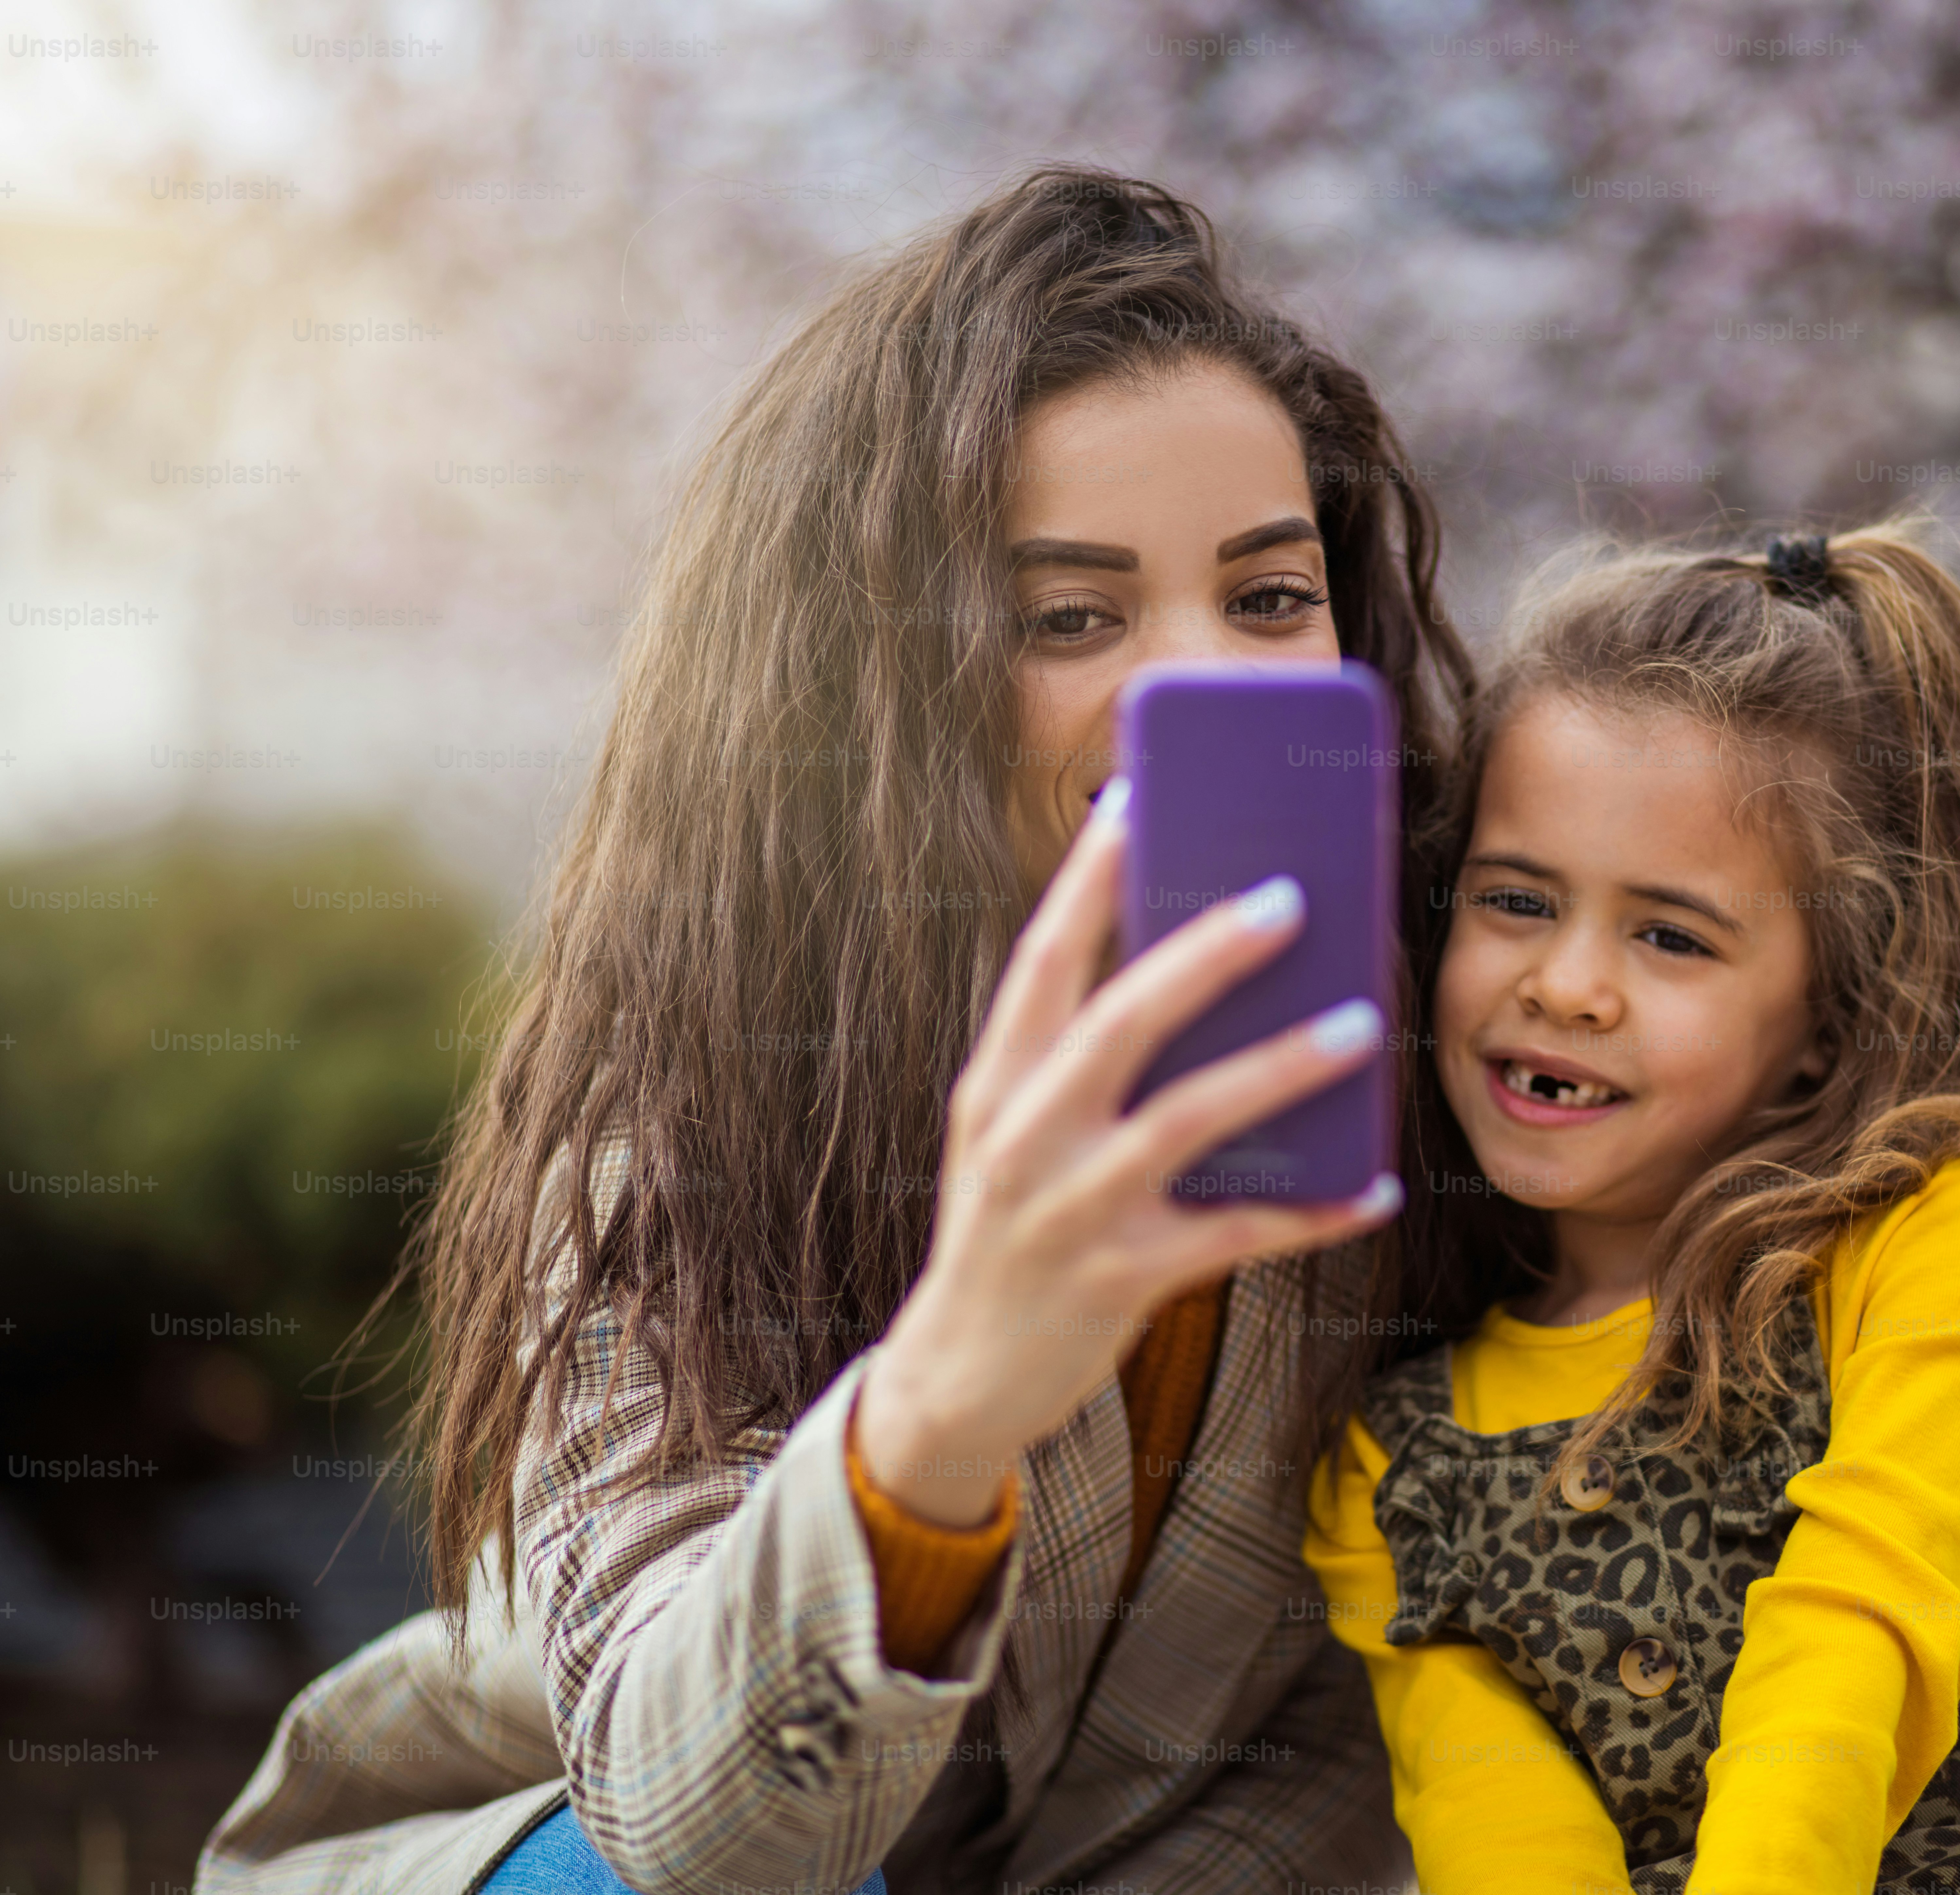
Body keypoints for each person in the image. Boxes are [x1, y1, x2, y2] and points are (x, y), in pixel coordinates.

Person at [200, 166, 1473, 1895]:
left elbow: (1339, 1732)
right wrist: (948, 1397)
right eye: (1067, 617)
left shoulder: (1428, 1066)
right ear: (880, 681)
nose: (1211, 681)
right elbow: (697, 1835)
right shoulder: (698, 1094)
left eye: (1267, 598)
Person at [1304, 530, 1960, 1893]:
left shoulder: (1939, 1245)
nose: (1567, 984)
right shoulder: (1394, 1457)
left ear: (1824, 1024)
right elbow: (1501, 1834)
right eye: (1516, 900)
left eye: (1668, 936)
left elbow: (1855, 1644)